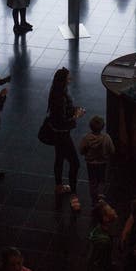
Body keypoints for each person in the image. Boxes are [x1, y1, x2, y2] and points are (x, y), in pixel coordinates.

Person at [47, 67, 84, 211]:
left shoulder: (56, 92)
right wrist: (76, 116)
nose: (70, 79)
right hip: (63, 134)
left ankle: (59, 186)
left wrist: (74, 110)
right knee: (75, 163)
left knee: (59, 158)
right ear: (63, 81)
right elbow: (62, 119)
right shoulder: (61, 97)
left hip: (56, 132)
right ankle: (73, 194)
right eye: (68, 78)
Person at [79, 115, 115, 206]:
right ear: (102, 127)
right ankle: (101, 195)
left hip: (90, 163)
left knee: (92, 180)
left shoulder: (86, 138)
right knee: (102, 180)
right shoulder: (106, 138)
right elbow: (112, 150)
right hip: (103, 163)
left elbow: (81, 150)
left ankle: (93, 197)